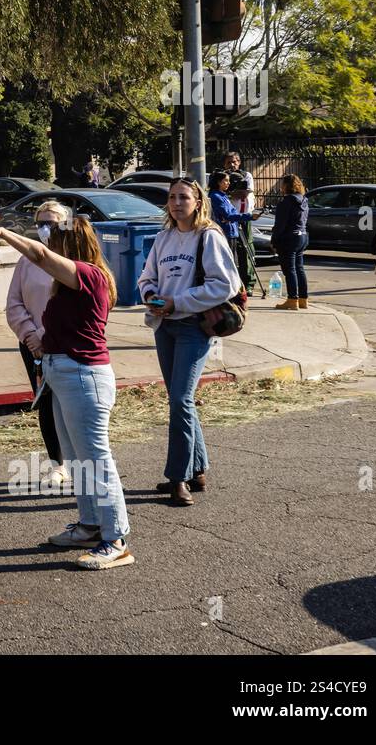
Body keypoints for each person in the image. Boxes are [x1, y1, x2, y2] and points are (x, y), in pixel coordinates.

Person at [0, 206, 134, 571]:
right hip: (64, 374)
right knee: (77, 460)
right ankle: (91, 526)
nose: (49, 247)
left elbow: (40, 255)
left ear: (72, 245)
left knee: (96, 458)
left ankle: (116, 539)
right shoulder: (71, 281)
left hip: (84, 377)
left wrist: (1, 234)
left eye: (56, 240)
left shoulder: (89, 275)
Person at [137, 178, 242, 506]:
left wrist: (177, 301)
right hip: (164, 326)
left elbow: (225, 284)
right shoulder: (164, 238)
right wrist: (152, 295)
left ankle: (177, 478)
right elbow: (146, 277)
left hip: (193, 327)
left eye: (184, 197)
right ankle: (197, 470)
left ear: (198, 201)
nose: (176, 202)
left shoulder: (208, 237)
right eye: (172, 197)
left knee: (180, 400)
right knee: (179, 399)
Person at [4, 200, 70, 486]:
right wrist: (31, 336)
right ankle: (58, 463)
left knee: (70, 405)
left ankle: (81, 460)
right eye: (41, 223)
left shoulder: (75, 259)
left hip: (67, 342)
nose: (46, 229)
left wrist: (49, 334)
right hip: (34, 346)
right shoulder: (26, 261)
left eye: (52, 223)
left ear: (65, 224)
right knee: (45, 402)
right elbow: (14, 303)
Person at [208, 170, 258, 289]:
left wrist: (236, 216)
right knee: (229, 263)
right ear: (218, 182)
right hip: (225, 233)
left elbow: (233, 212)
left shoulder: (223, 195)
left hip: (232, 231)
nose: (228, 183)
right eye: (225, 181)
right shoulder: (216, 196)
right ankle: (230, 288)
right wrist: (249, 216)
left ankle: (235, 287)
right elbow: (228, 215)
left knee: (233, 261)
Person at [271, 174, 310, 310]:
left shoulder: (286, 202)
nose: (280, 187)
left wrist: (274, 241)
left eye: (282, 184)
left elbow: (280, 224)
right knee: (299, 268)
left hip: (289, 238)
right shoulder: (304, 200)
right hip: (302, 236)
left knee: (290, 270)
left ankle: (292, 299)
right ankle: (303, 299)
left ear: (287, 186)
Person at [222, 151, 259, 290]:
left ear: (239, 162)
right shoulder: (222, 177)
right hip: (228, 220)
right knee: (229, 251)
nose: (232, 165)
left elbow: (244, 193)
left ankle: (248, 283)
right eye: (229, 162)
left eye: (234, 161)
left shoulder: (246, 175)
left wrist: (228, 192)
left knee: (246, 250)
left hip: (244, 217)